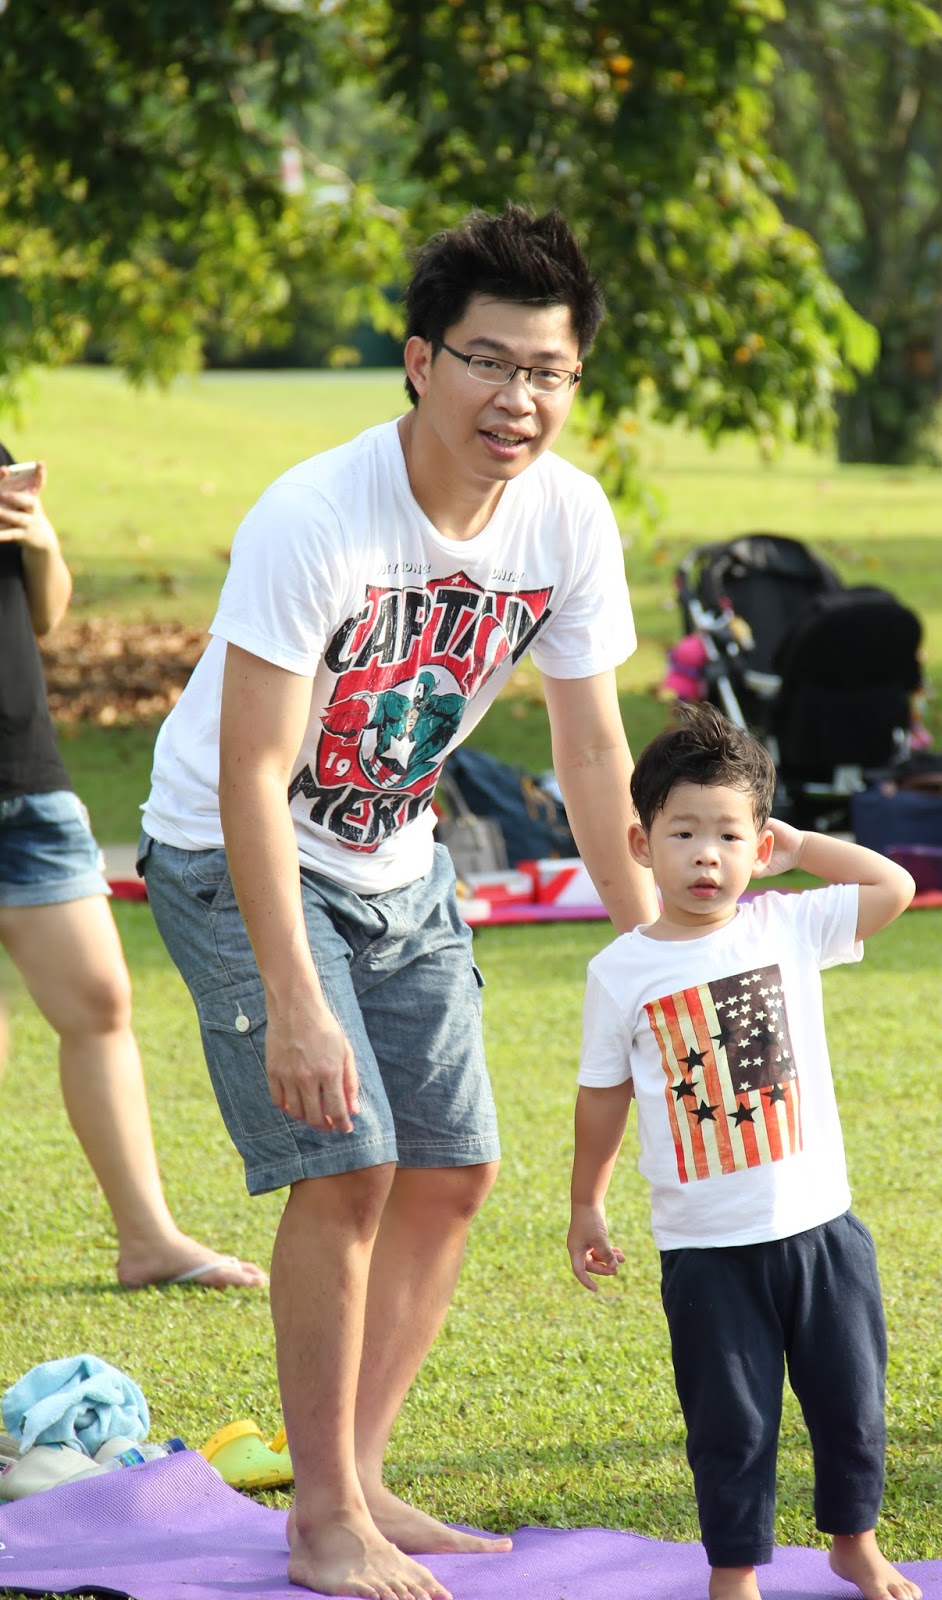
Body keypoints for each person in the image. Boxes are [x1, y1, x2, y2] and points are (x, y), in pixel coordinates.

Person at [138, 204, 657, 1600]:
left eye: (548, 371)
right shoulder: (319, 512)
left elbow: (591, 748)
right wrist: (295, 1005)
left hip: (398, 859)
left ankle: (358, 1481)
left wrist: (654, 939)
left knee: (450, 1172)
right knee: (348, 1163)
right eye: (490, 362)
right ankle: (317, 1524)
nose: (520, 399)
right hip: (230, 849)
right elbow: (251, 772)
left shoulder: (567, 516)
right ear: (420, 362)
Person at [567, 704, 922, 1600]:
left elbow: (894, 889)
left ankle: (855, 1542)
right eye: (682, 832)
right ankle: (735, 1571)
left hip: (821, 1232)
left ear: (757, 848)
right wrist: (586, 1202)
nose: (706, 855)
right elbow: (602, 1094)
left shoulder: (785, 927)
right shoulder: (621, 971)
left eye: (729, 835)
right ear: (643, 844)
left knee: (852, 1404)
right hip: (706, 1251)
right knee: (731, 1423)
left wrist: (802, 847)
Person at [0, 448, 267, 1292]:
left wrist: (39, 539)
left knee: (100, 999)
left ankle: (147, 1239)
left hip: (26, 784)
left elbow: (44, 614)